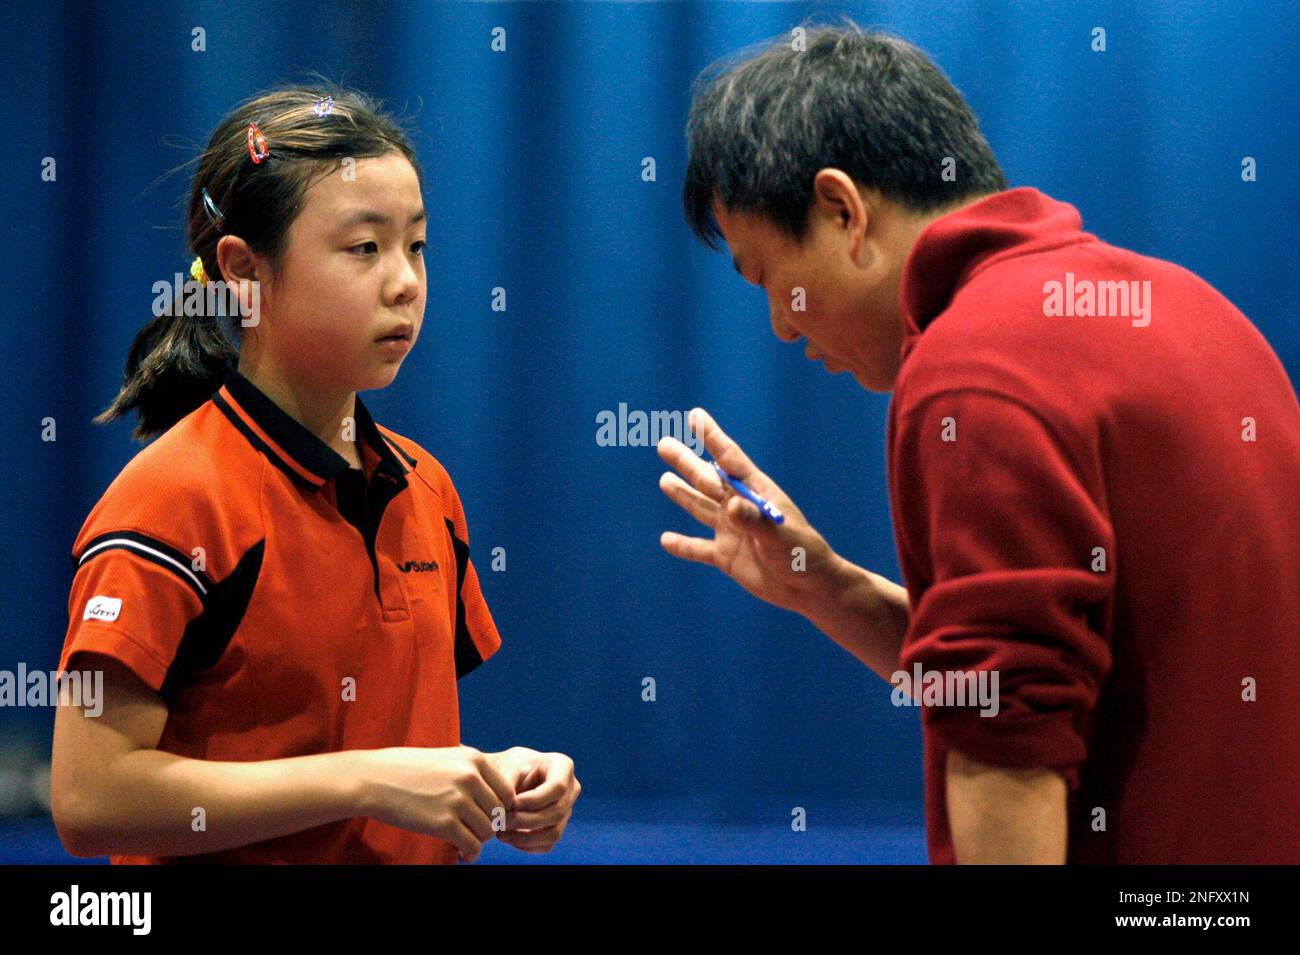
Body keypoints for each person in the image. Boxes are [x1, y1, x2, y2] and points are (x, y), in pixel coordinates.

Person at [658, 23, 1300, 863]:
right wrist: (828, 587)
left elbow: (1008, 749)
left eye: (767, 276)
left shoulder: (974, 367)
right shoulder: (1198, 311)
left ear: (843, 211)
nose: (780, 324)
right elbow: (1026, 682)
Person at [51, 83, 580, 864]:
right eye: (365, 247)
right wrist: (365, 781)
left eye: (418, 245)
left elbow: (397, 758)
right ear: (243, 270)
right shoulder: (170, 500)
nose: (405, 281)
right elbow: (90, 799)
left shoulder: (425, 487)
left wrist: (493, 783)